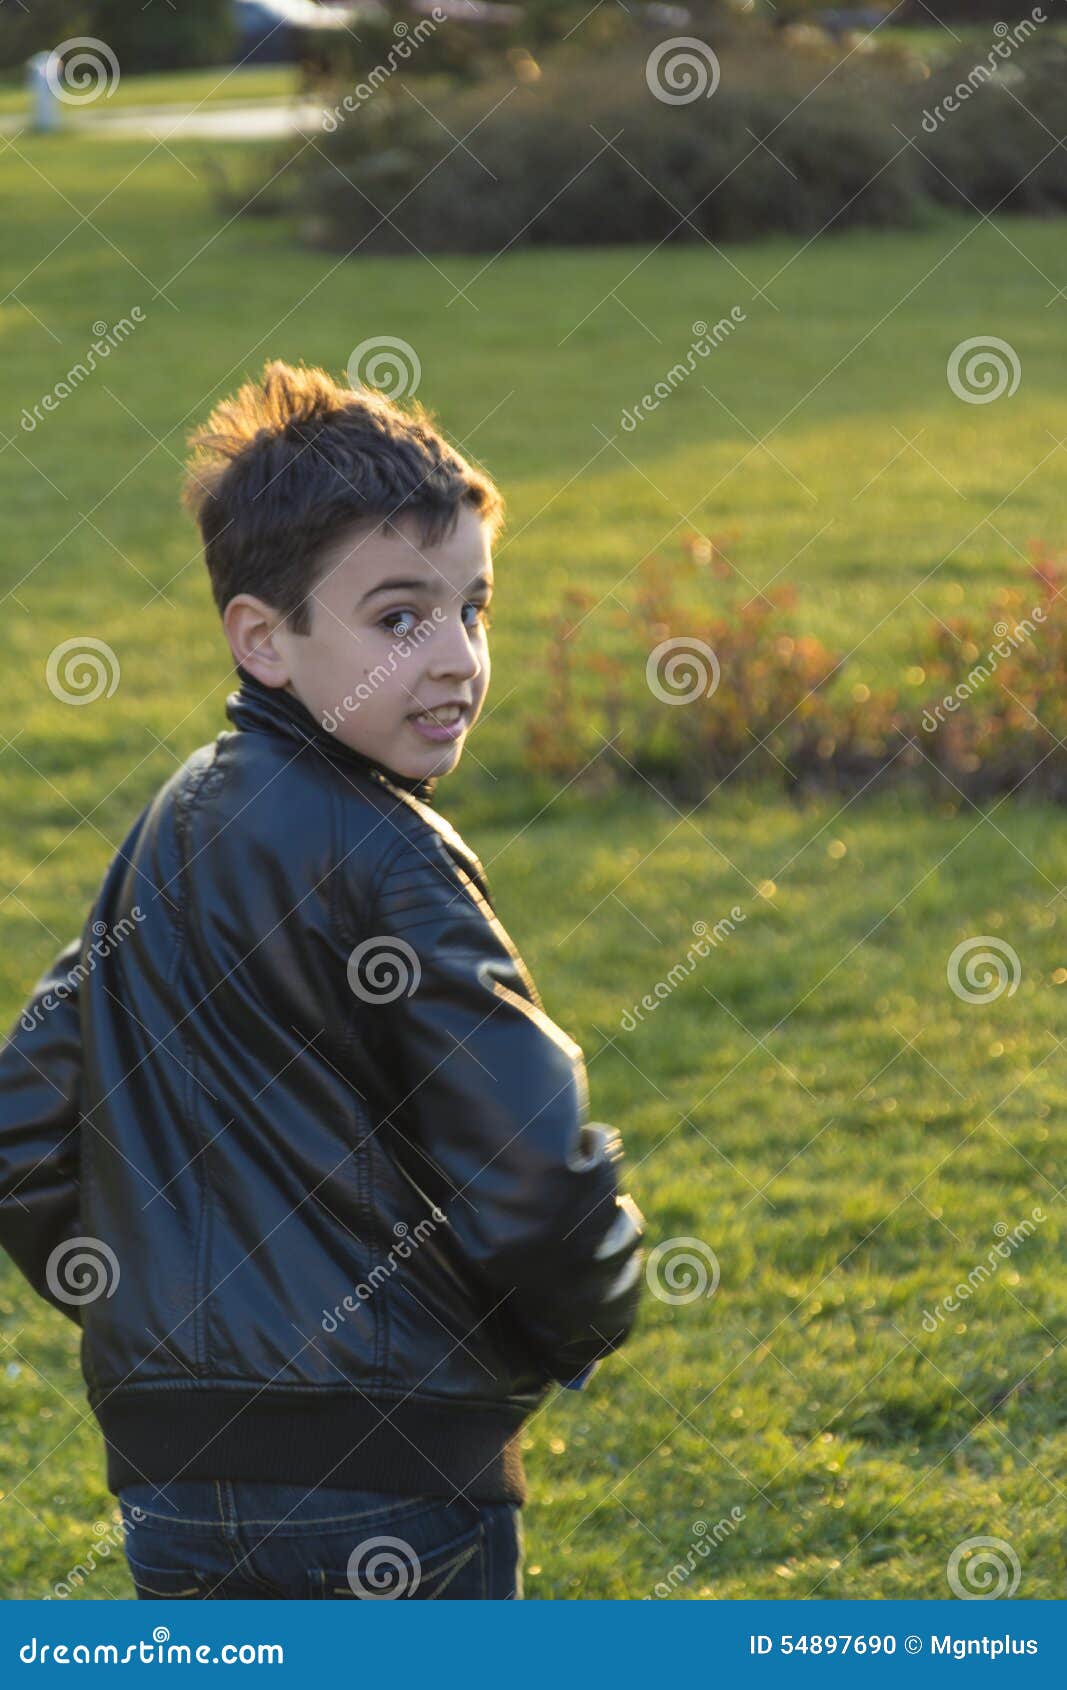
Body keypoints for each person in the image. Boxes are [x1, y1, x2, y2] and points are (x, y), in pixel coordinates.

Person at [0, 358, 645, 1600]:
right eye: (399, 617)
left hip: (175, 1472)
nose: (455, 655)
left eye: (476, 609)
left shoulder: (176, 828)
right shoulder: (395, 862)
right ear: (266, 638)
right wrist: (584, 1311)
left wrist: (178, 1338)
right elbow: (528, 1173)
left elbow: (23, 1125)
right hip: (394, 1473)